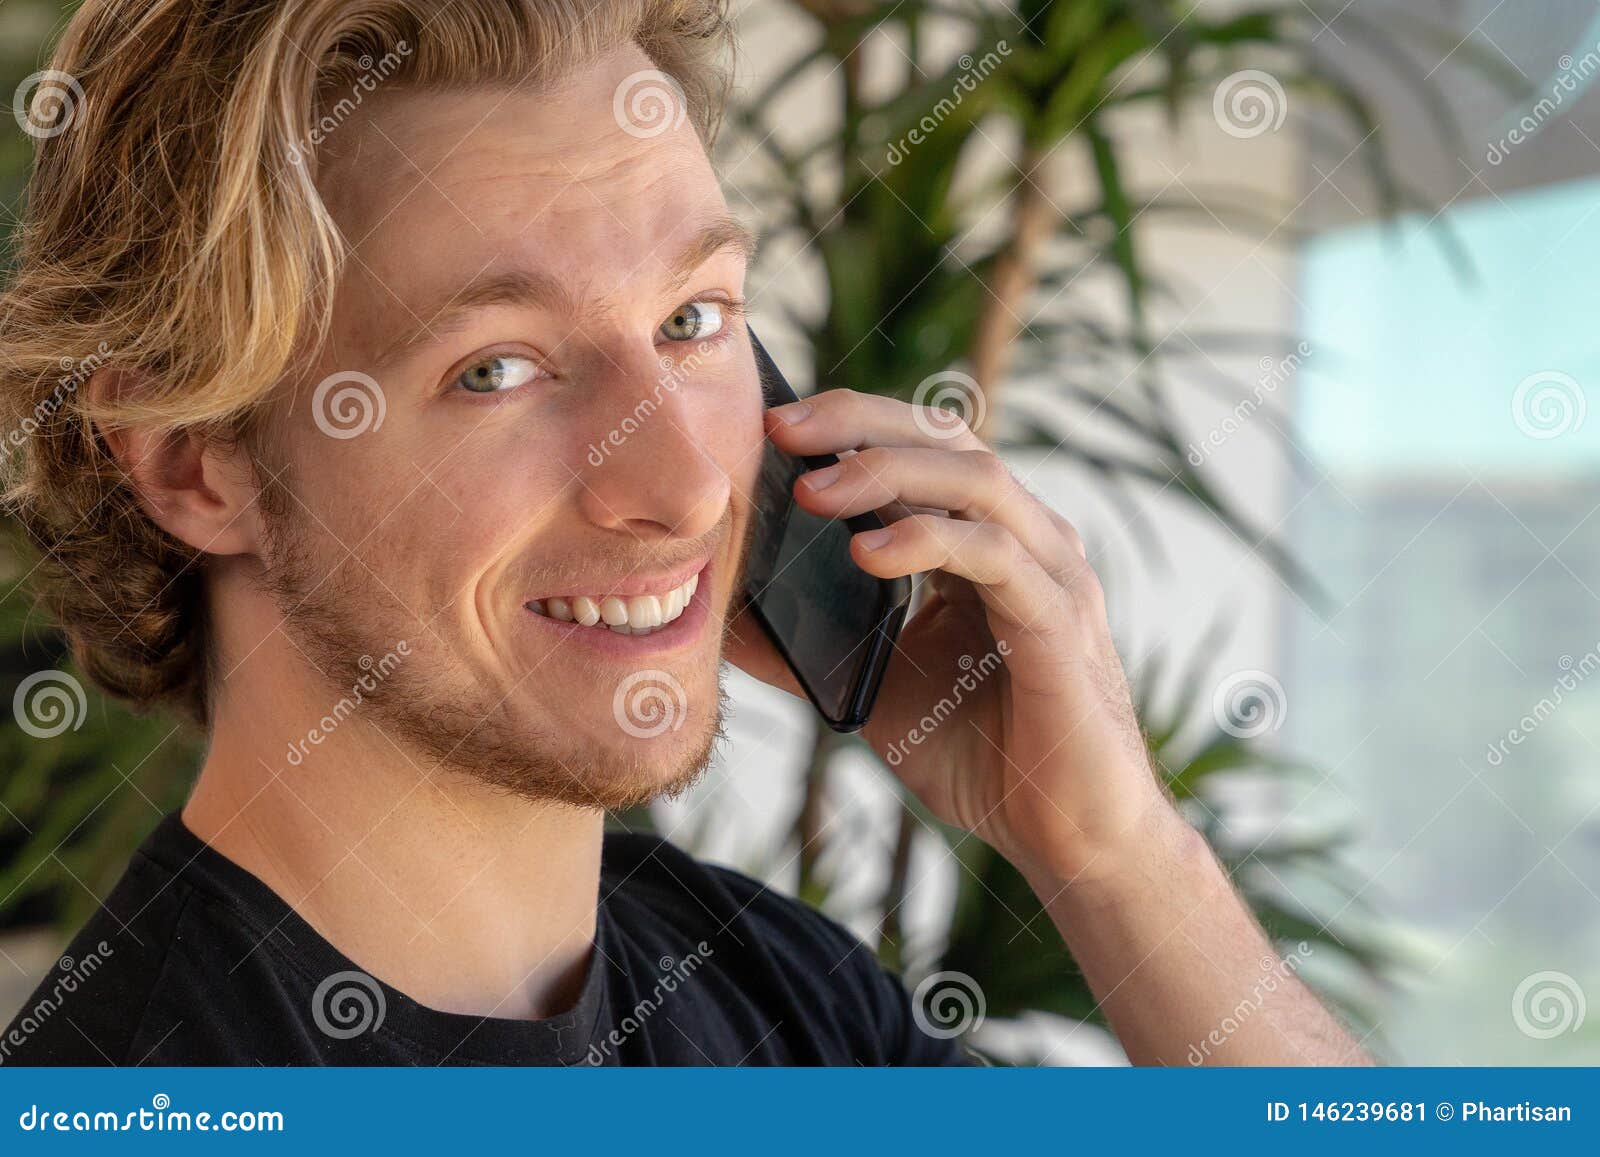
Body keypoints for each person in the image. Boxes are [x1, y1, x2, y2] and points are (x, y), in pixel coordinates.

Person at [0, 0, 1367, 1066]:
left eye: (693, 320)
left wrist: (1111, 849)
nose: (683, 482)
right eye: (494, 368)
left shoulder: (778, 994)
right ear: (196, 465)